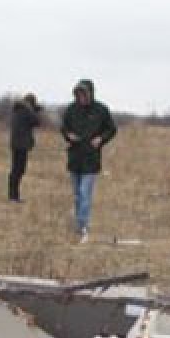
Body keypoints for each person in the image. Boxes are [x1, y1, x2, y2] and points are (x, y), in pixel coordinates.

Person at [61, 79, 117, 242]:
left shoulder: (101, 110)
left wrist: (101, 138)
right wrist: (68, 135)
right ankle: (79, 222)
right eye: (78, 93)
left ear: (91, 93)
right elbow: (64, 128)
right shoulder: (71, 110)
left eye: (84, 93)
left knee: (85, 193)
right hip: (75, 157)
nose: (81, 96)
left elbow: (112, 129)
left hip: (91, 159)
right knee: (78, 195)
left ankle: (82, 225)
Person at [8, 93, 42, 203]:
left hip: (16, 143)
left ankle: (13, 195)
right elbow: (37, 122)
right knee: (19, 170)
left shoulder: (18, 110)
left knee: (15, 169)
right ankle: (14, 196)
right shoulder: (26, 111)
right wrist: (35, 111)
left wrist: (33, 110)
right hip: (22, 144)